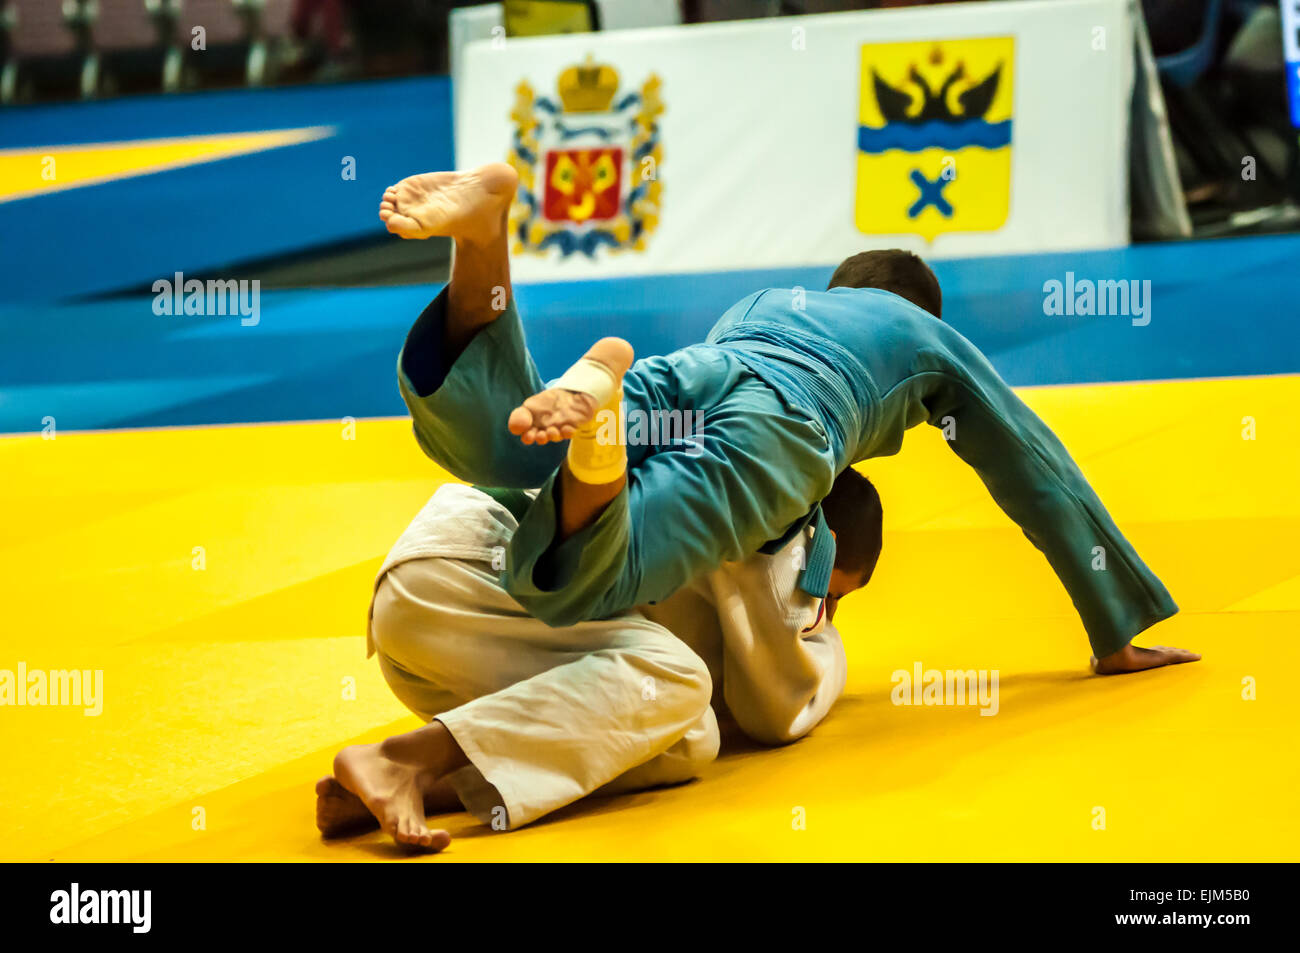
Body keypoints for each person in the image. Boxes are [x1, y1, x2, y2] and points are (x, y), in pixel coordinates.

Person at [378, 163, 1200, 680]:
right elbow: (1033, 464)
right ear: (914, 309)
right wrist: (1115, 620)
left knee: (502, 448)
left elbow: (719, 400)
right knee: (585, 577)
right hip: (788, 419)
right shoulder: (925, 335)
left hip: (693, 371)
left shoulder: (771, 299)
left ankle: (487, 247)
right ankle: (598, 430)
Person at [317, 468, 883, 850]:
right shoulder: (776, 536)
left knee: (688, 739)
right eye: (830, 595)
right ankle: (402, 759)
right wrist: (832, 650)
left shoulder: (740, 470)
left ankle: (437, 781)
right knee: (680, 679)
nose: (823, 613)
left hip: (437, 627)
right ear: (819, 543)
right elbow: (777, 712)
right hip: (463, 575)